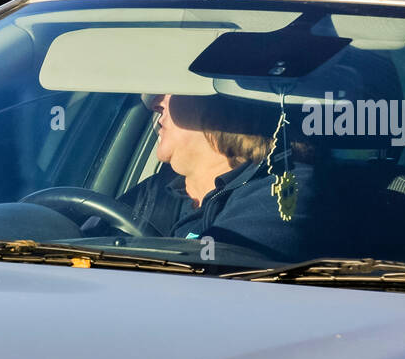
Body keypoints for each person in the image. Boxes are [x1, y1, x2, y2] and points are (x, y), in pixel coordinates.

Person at [122, 93, 324, 262]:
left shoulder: (284, 189)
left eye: (173, 88)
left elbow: (209, 278)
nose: (155, 104)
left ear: (224, 99)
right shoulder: (157, 189)